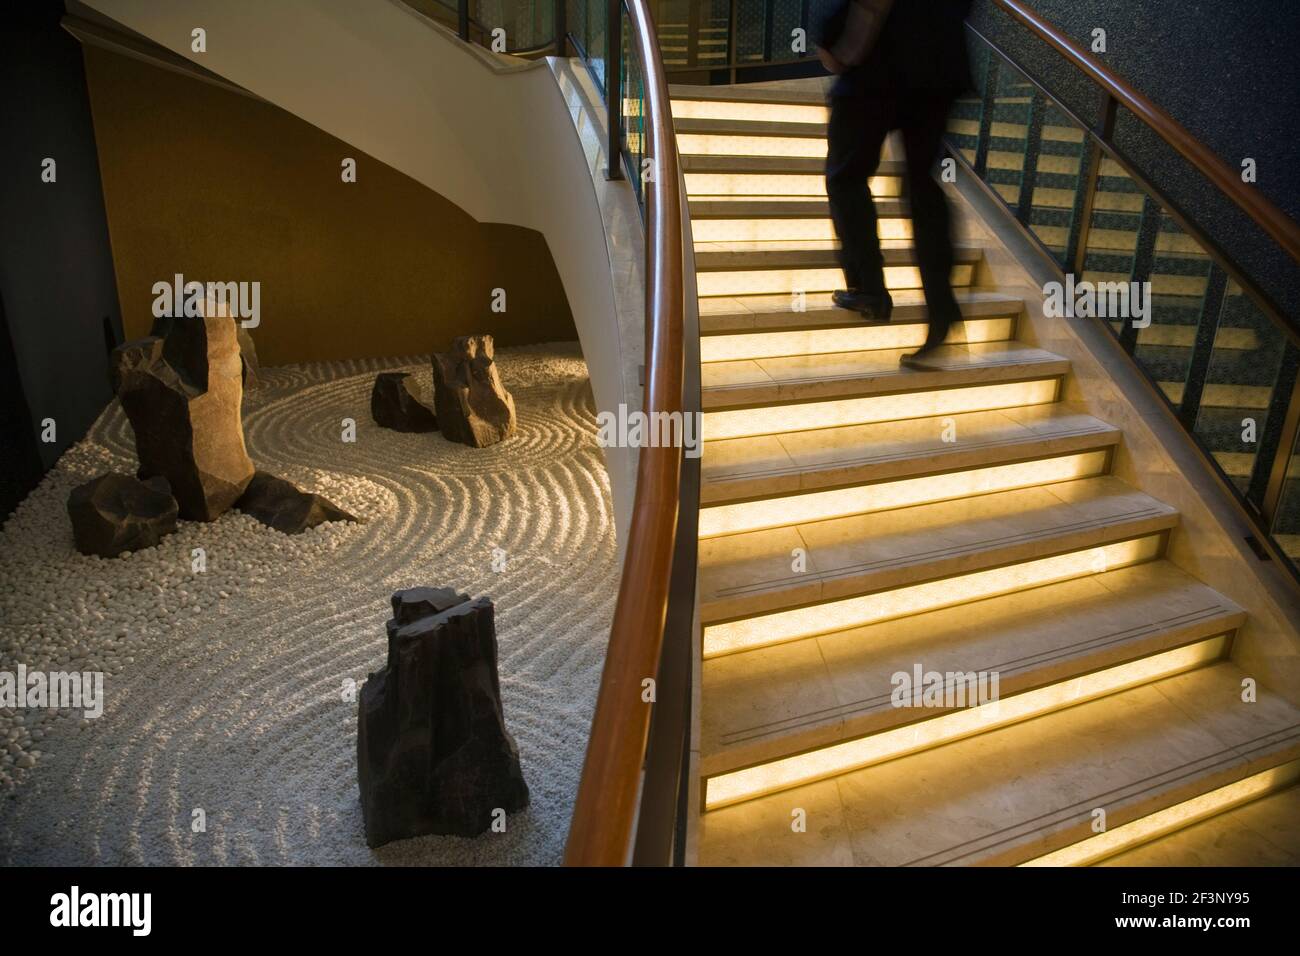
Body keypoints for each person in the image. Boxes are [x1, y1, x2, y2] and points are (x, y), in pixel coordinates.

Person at [817, 0, 974, 369]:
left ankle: (869, 287)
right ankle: (942, 314)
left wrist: (833, 37)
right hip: (938, 64)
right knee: (922, 187)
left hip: (877, 65)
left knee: (846, 177)